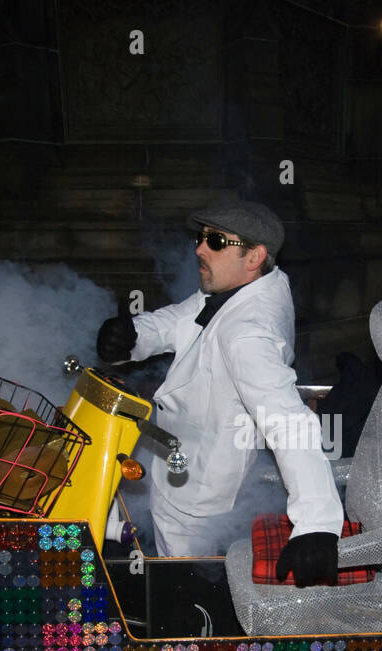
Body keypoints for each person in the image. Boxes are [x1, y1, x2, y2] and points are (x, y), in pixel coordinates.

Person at [96, 200, 343, 584]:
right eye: (200, 237)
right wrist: (136, 335)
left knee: (182, 588)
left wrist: (316, 523)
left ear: (254, 256)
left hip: (193, 489)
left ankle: (185, 640)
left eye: (215, 241)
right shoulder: (254, 283)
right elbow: (186, 315)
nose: (199, 248)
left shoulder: (248, 333)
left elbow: (288, 422)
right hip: (173, 455)